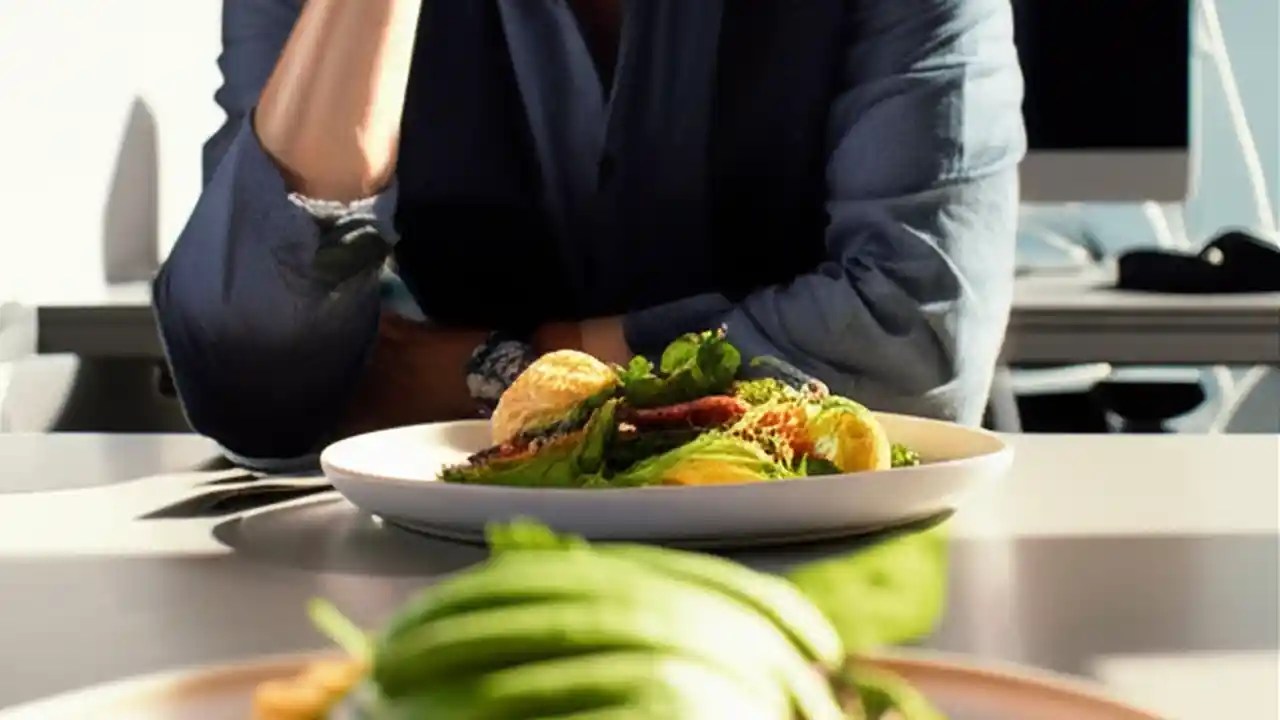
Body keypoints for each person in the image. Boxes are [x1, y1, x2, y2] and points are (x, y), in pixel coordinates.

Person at [154, 0, 1025, 467]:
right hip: (455, 558)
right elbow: (253, 380)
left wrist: (500, 371)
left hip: (826, 551)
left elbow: (915, 349)